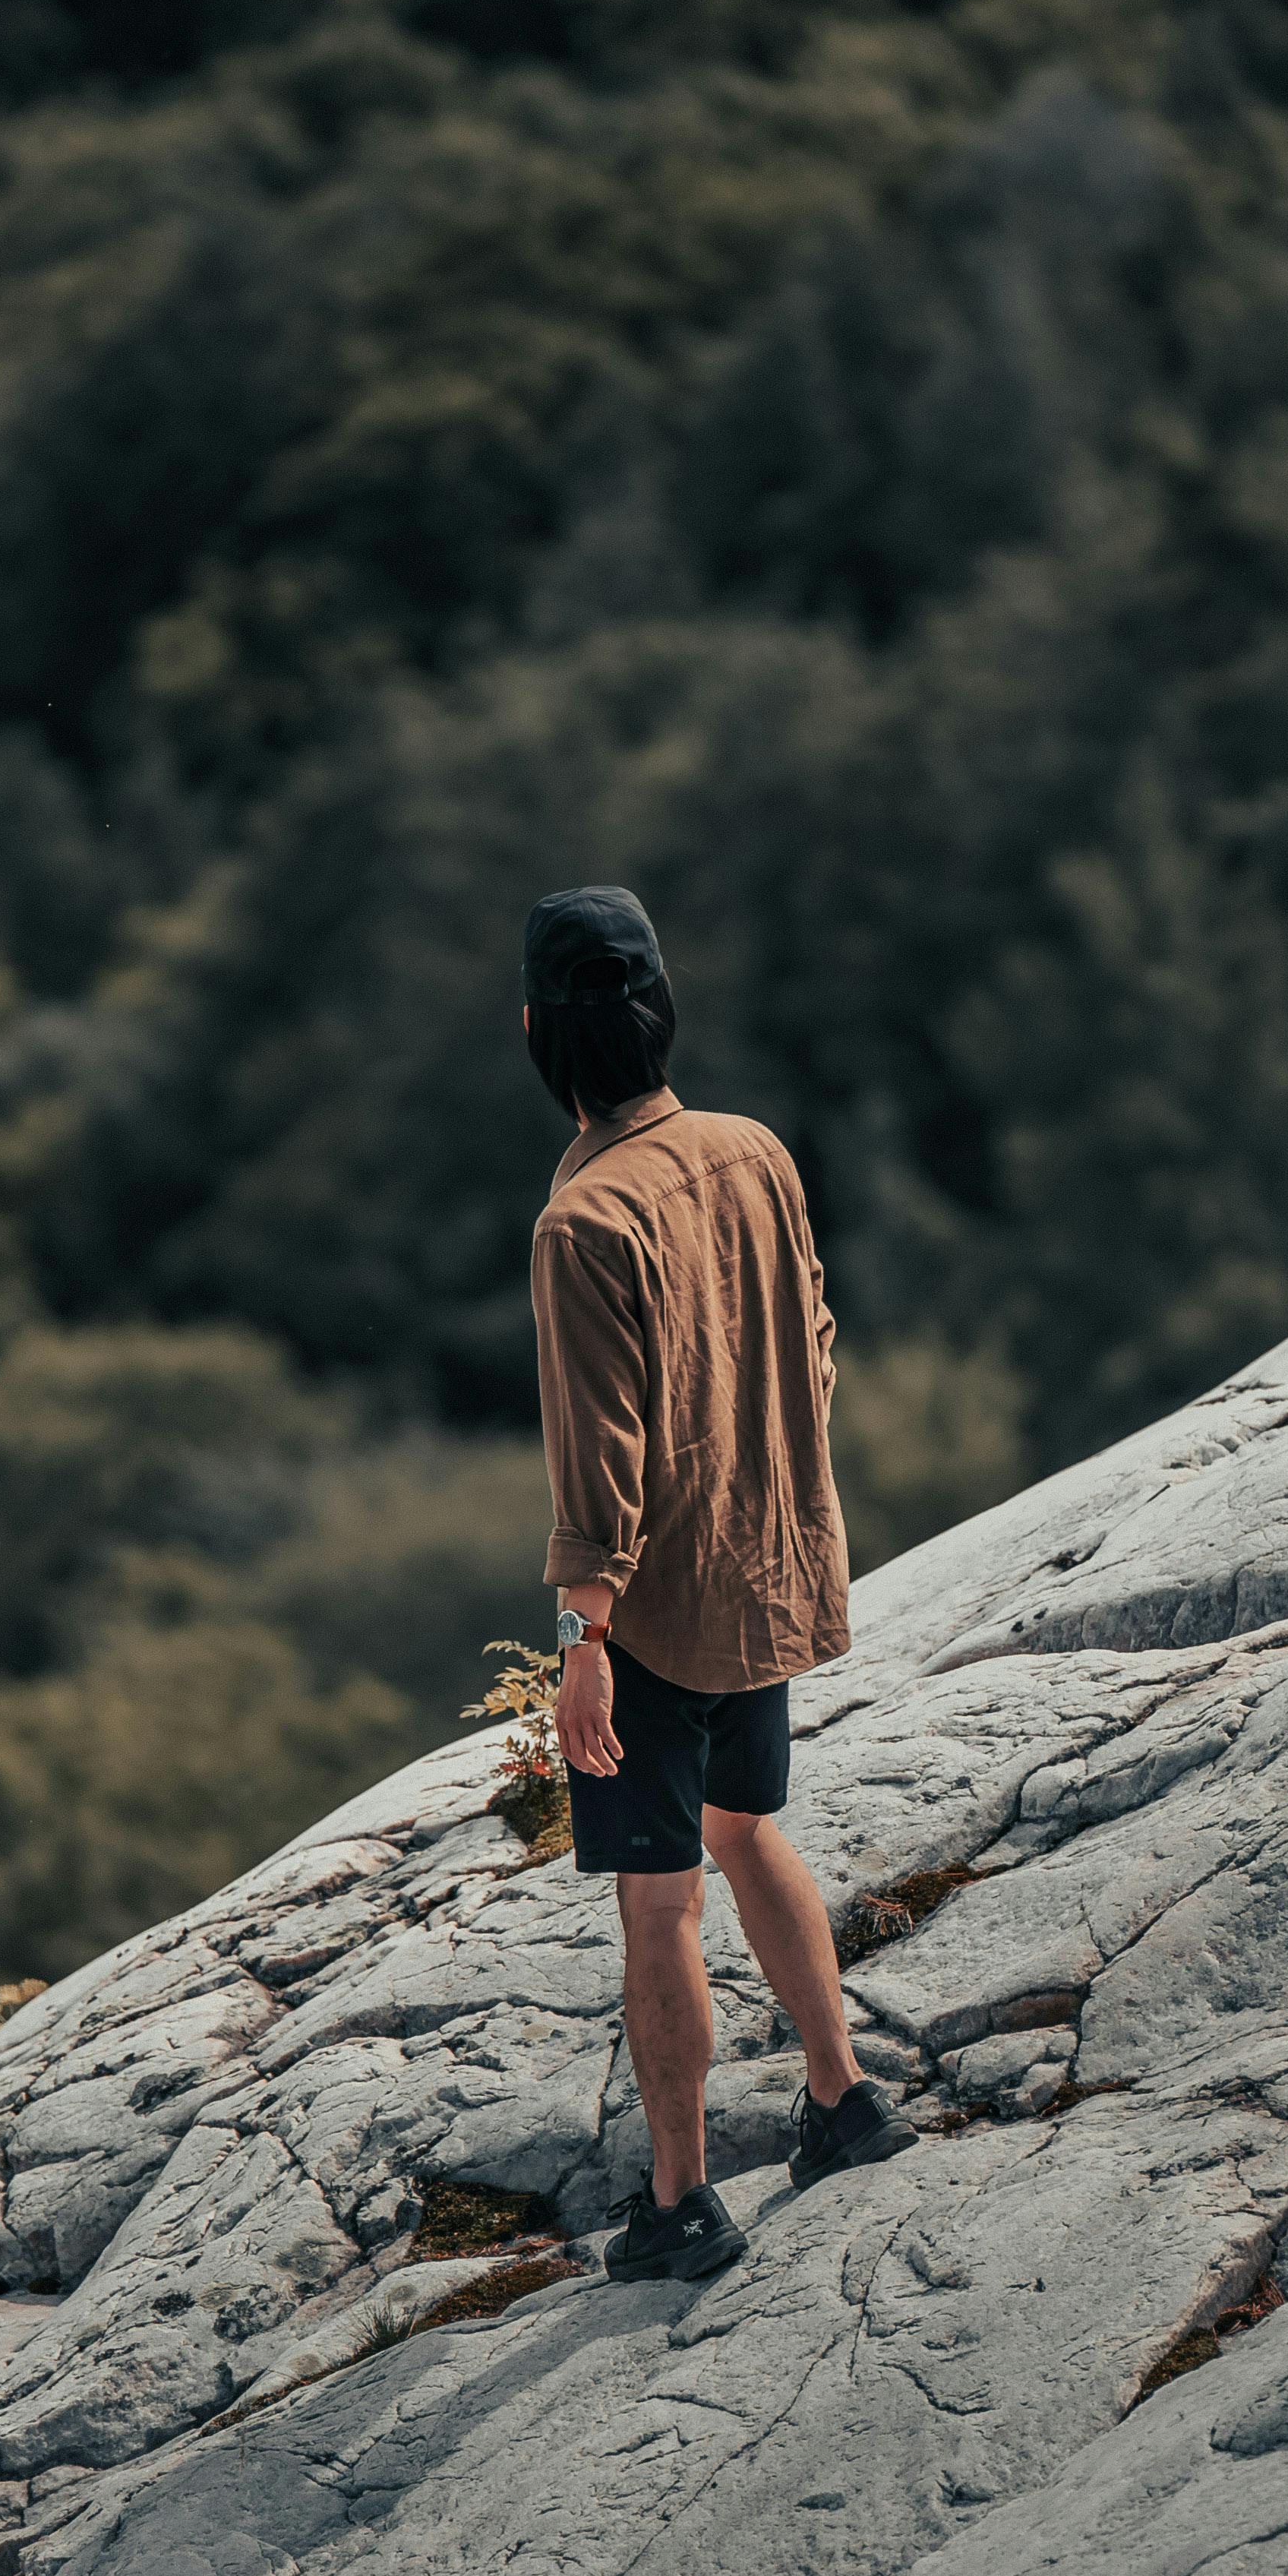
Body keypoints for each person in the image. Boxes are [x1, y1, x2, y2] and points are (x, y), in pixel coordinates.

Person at [521, 883, 912, 2285]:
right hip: (768, 1572)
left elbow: (601, 1449)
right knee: (747, 1829)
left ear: (535, 1034)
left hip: (659, 1618)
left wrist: (581, 1636)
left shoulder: (581, 1222)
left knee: (659, 1899)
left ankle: (680, 2199)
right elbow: (814, 1336)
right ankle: (841, 2096)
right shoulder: (754, 1151)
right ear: (660, 1010)